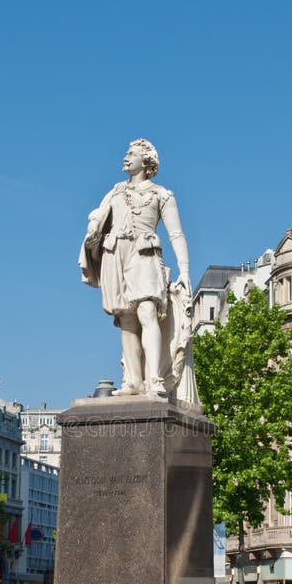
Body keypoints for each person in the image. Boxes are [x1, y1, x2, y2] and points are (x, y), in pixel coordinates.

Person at [79, 139, 194, 399]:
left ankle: (153, 379)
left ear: (147, 160)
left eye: (132, 153)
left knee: (146, 311)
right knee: (126, 319)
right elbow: (97, 223)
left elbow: (176, 233)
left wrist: (184, 270)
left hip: (145, 253)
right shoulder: (115, 192)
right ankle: (133, 380)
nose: (126, 157)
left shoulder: (161, 194)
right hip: (115, 254)